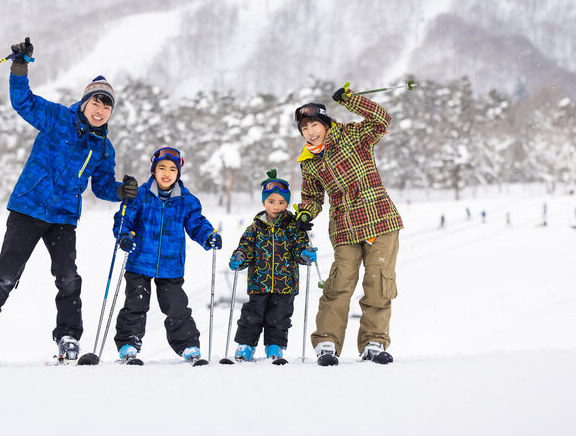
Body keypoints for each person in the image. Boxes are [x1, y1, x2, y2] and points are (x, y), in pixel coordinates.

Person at [0, 39, 139, 367]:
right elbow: (23, 101)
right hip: (28, 208)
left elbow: (102, 186)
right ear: (84, 102)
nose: (100, 110)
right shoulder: (57, 118)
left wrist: (122, 190)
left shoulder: (103, 148)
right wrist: (20, 67)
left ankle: (68, 337)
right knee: (6, 275)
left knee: (68, 277)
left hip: (64, 216)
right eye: (96, 101)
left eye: (107, 106)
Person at [293, 82, 403, 366]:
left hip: (379, 219)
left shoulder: (353, 135)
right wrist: (305, 212)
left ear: (325, 123)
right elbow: (312, 196)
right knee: (338, 284)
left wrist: (352, 101)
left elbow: (382, 120)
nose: (310, 131)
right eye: (304, 128)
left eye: (314, 124)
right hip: (344, 228)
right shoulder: (308, 162)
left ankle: (374, 342)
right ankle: (327, 341)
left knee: (378, 282)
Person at [111, 146, 222, 365]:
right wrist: (124, 236)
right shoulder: (141, 196)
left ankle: (188, 345)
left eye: (172, 169)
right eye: (161, 167)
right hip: (139, 261)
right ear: (153, 170)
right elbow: (124, 219)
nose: (166, 173)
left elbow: (196, 223)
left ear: (178, 173)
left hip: (170, 266)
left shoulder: (186, 201)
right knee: (136, 303)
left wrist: (208, 235)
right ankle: (128, 343)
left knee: (176, 306)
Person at [228, 170, 315, 363]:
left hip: (285, 284)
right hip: (259, 282)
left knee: (279, 317)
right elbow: (246, 247)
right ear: (264, 202)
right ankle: (246, 346)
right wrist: (240, 257)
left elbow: (299, 248)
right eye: (271, 202)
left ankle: (274, 346)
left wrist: (304, 254)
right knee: (252, 315)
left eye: (281, 202)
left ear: (287, 204)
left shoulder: (293, 227)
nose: (276, 206)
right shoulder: (254, 228)